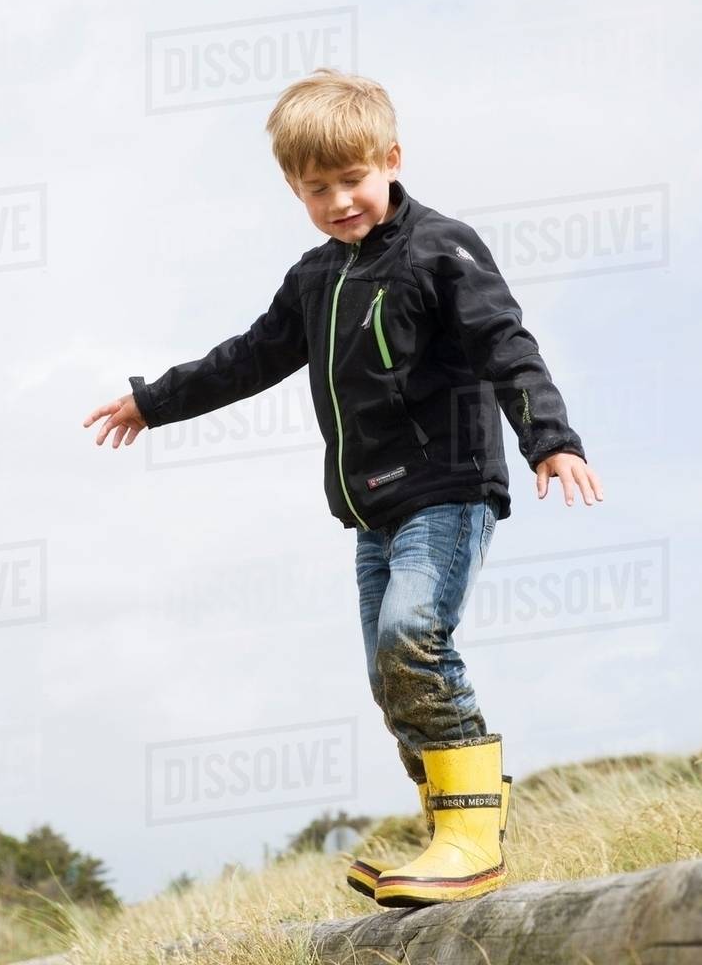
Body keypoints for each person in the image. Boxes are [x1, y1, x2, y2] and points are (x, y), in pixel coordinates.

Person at [83, 67, 603, 907]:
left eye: (353, 179)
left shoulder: (443, 248)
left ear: (391, 158)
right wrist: (154, 400)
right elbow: (248, 357)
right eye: (317, 188)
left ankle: (473, 837)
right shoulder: (314, 278)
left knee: (412, 638)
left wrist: (550, 437)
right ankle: (447, 833)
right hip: (371, 512)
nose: (340, 201)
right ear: (294, 188)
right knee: (389, 674)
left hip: (446, 487)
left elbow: (507, 343)